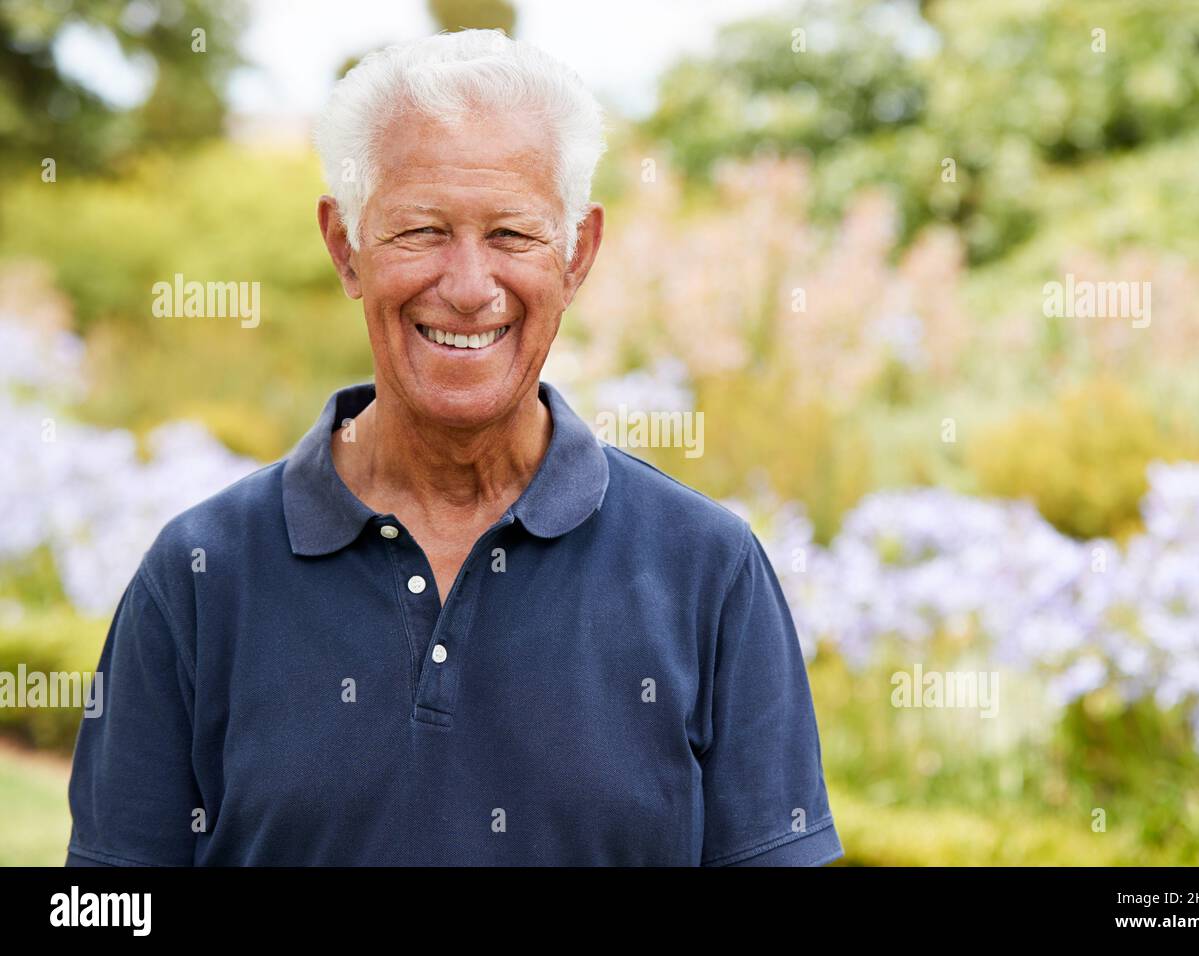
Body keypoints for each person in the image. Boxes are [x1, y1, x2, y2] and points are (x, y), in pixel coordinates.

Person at [65, 29, 843, 867]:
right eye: (422, 231)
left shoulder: (708, 572)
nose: (469, 289)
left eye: (512, 234)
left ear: (577, 254)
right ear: (345, 245)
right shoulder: (198, 576)